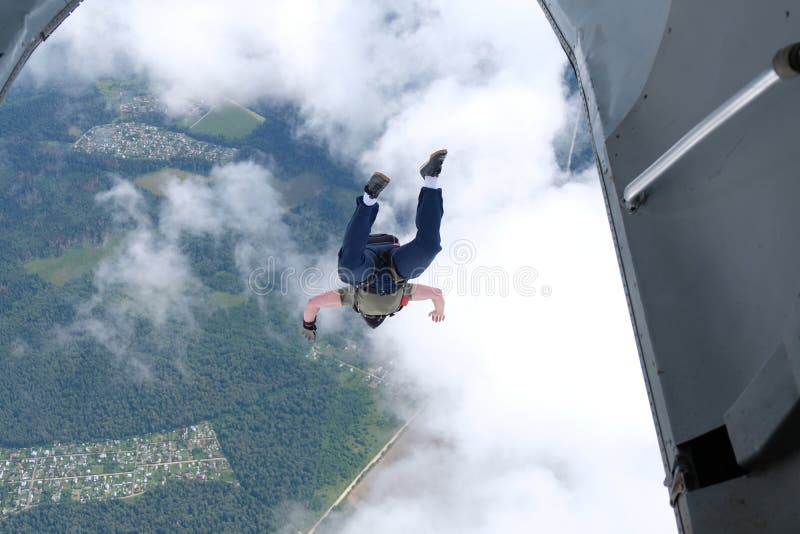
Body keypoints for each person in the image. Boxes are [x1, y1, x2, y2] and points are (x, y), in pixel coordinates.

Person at [302, 149, 449, 341]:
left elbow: (436, 295)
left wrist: (439, 310)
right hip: (394, 265)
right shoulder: (398, 295)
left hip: (371, 262)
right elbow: (313, 305)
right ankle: (430, 179)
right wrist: (309, 325)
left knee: (349, 270)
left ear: (365, 313)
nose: (374, 314)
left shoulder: (352, 298)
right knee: (428, 246)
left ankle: (369, 199)